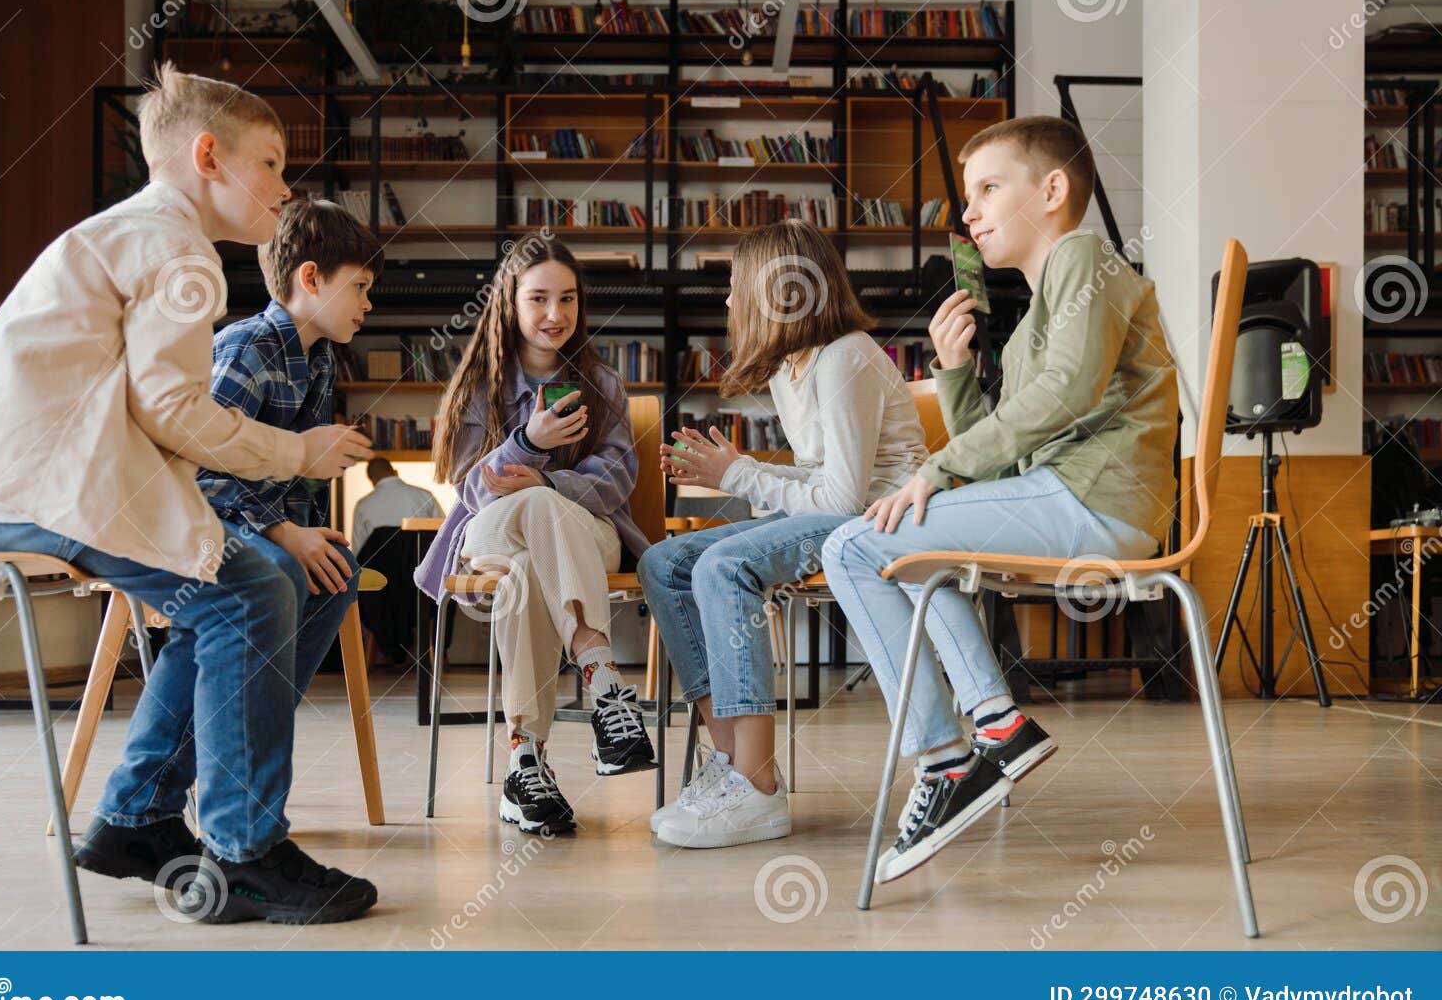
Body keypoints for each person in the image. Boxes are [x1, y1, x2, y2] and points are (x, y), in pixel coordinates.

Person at [0, 63, 378, 925]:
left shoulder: (135, 232)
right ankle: (244, 852)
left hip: (9, 483)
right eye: (270, 163)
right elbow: (172, 409)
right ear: (209, 156)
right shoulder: (177, 248)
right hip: (35, 489)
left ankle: (139, 816)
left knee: (242, 583)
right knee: (251, 588)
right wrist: (299, 452)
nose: (284, 188)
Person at [822, 115, 1178, 884]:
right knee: (904, 548)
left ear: (1052, 190)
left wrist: (938, 467)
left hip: (1094, 498)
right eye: (970, 195)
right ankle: (994, 723)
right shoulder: (1024, 332)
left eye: (988, 188)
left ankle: (952, 756)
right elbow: (1003, 460)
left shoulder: (1083, 255)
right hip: (1071, 496)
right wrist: (955, 371)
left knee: (851, 545)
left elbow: (1069, 390)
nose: (970, 211)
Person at [638, 218, 927, 849]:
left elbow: (844, 499)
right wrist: (737, 470)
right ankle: (730, 765)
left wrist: (739, 474)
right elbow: (820, 476)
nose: (729, 299)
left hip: (883, 520)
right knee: (663, 564)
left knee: (722, 567)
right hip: (843, 512)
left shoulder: (845, 356)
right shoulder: (790, 368)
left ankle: (758, 785)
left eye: (737, 284)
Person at [418, 233, 657, 835]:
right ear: (510, 302)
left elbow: (616, 480)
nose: (555, 314)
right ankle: (604, 683)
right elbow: (470, 489)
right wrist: (527, 444)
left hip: (586, 534)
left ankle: (524, 766)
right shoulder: (477, 385)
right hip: (490, 534)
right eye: (539, 299)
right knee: (530, 511)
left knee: (527, 566)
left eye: (567, 298)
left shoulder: (603, 384)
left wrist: (546, 482)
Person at [196, 197, 381, 707]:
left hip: (259, 527)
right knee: (281, 571)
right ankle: (245, 721)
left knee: (336, 569)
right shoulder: (248, 347)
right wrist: (283, 533)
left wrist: (306, 534)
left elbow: (295, 480)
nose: (368, 304)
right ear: (311, 278)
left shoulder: (320, 359)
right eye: (360, 287)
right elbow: (204, 471)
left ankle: (261, 716)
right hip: (206, 524)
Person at [351, 457, 441, 663]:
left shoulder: (364, 505)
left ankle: (387, 649)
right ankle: (437, 654)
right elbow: (442, 538)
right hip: (421, 588)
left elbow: (358, 555)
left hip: (382, 594)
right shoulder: (424, 496)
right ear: (395, 472)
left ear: (372, 480)